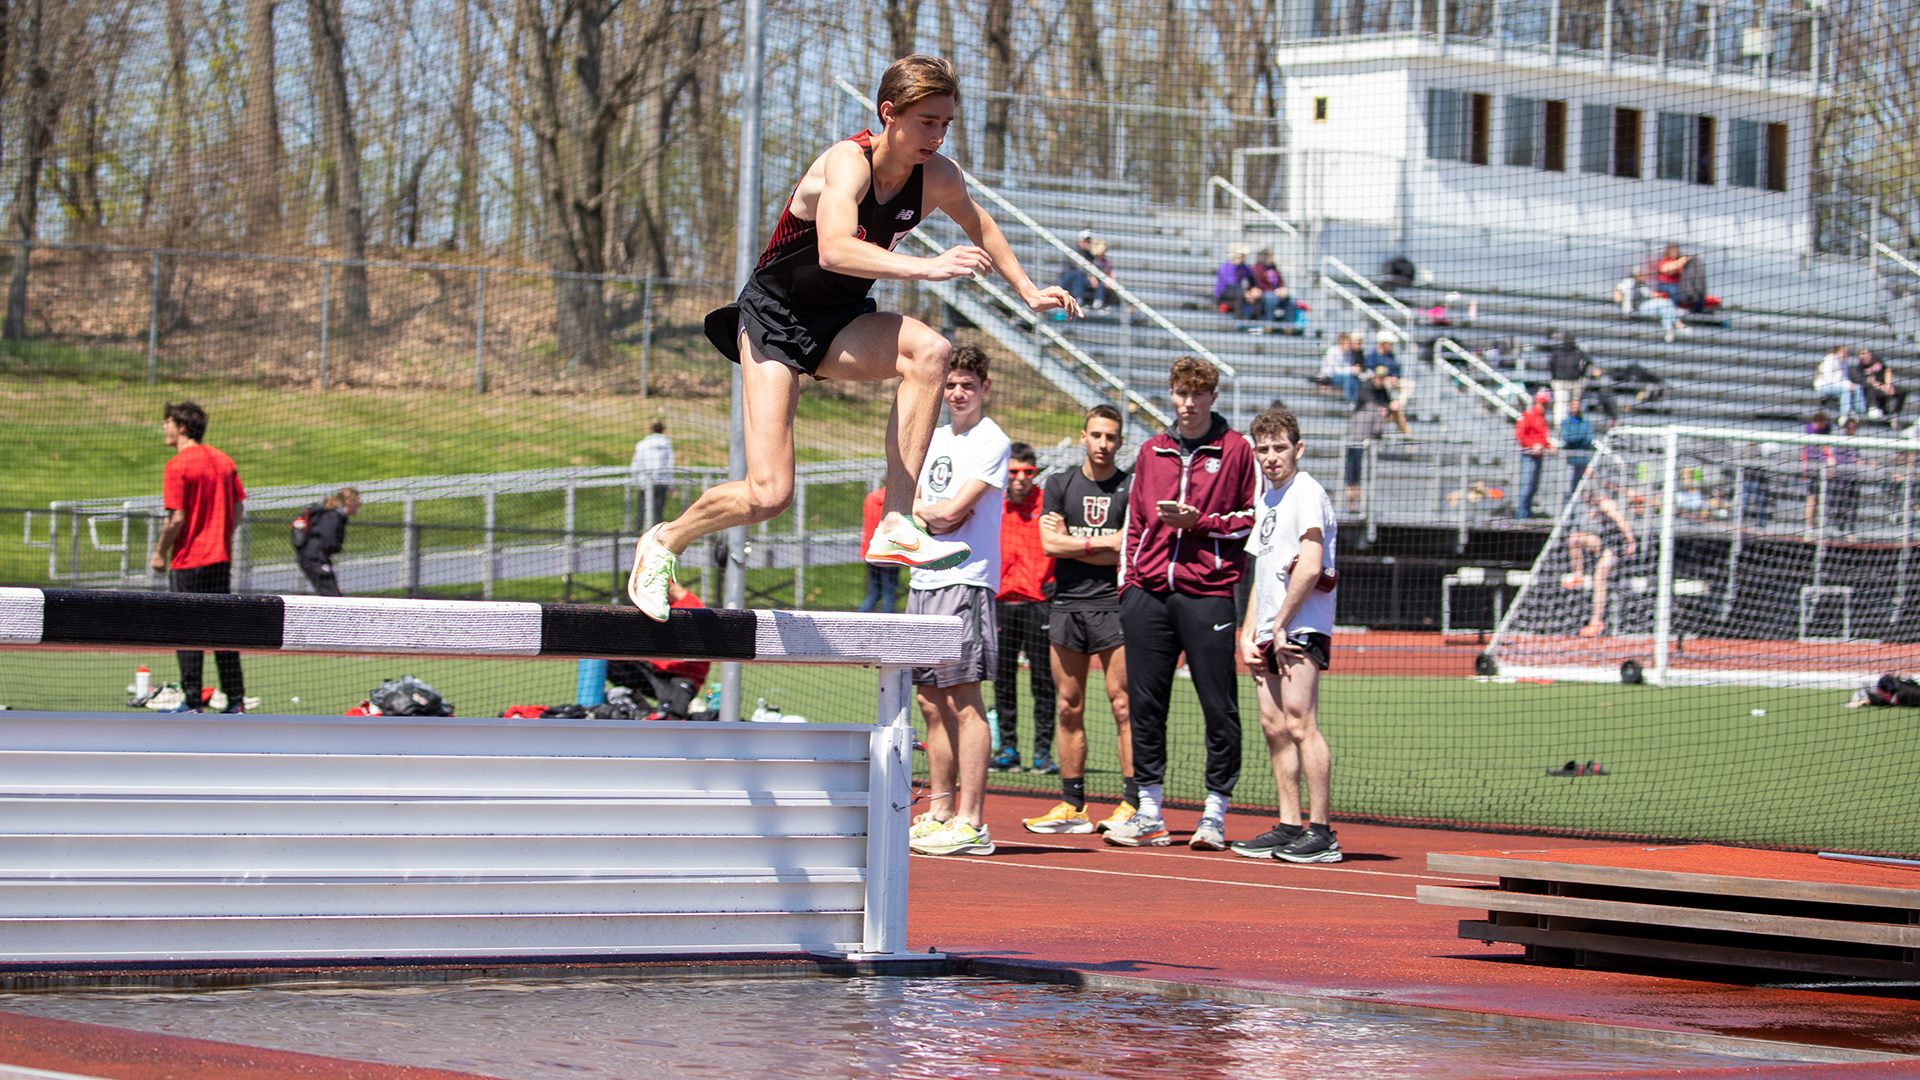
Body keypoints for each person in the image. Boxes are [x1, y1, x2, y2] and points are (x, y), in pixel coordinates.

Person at [627, 55, 1078, 621]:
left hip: (840, 318)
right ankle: (665, 540)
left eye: (946, 124)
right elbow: (834, 248)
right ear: (890, 115)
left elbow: (980, 223)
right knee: (769, 494)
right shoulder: (847, 163)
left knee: (931, 352)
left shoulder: (938, 175)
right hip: (774, 318)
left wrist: (1029, 289)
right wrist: (926, 267)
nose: (937, 137)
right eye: (926, 123)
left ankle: (897, 521)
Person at [1105, 356, 1257, 852]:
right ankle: (1149, 811)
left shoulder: (1236, 450)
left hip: (1208, 592)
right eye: (1181, 393)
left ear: (1213, 397)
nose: (1188, 403)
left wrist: (1203, 523)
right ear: (1171, 394)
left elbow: (1250, 519)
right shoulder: (1152, 450)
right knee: (1146, 704)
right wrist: (1128, 585)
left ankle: (1214, 812)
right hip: (1146, 593)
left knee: (1219, 705)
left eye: (1198, 394)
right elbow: (1134, 526)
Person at [907, 345, 1011, 857]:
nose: (958, 392)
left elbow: (950, 513)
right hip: (922, 578)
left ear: (984, 388)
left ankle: (973, 821)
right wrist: (930, 512)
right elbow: (913, 504)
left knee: (965, 699)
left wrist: (928, 512)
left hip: (966, 580)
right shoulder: (933, 437)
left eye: (967, 383)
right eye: (951, 384)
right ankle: (941, 809)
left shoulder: (993, 441)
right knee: (929, 699)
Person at [1230, 407, 1341, 864]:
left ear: (1298, 448)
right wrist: (1249, 629)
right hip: (1270, 629)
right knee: (1274, 728)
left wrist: (1279, 626)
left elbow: (1311, 565)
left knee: (1301, 724)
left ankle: (1322, 833)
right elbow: (1264, 571)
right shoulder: (1267, 498)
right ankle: (1289, 824)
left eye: (1279, 447)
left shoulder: (1307, 492)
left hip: (1300, 627)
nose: (1271, 456)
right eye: (1263, 449)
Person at [1024, 404, 1134, 836]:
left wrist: (1076, 540)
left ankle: (1131, 803)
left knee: (1123, 706)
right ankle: (1072, 806)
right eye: (1096, 435)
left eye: (1111, 437)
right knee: (1068, 708)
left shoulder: (1130, 487)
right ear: (1083, 437)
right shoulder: (1059, 483)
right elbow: (1050, 545)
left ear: (1120, 442)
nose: (1103, 444)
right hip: (1067, 605)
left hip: (1116, 605)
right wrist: (1102, 543)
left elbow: (1130, 547)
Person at [148, 401, 248, 713]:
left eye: (166, 422)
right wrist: (222, 535)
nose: (163, 427)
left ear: (181, 427)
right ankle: (236, 702)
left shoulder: (177, 466)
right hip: (219, 560)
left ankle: (192, 703)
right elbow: (238, 508)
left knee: (188, 632)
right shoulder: (224, 460)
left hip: (188, 563)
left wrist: (158, 552)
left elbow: (176, 518)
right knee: (225, 632)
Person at [992, 442, 1057, 774]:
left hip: (1038, 606)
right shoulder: (993, 505)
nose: (1020, 478)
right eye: (1014, 471)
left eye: (1027, 472)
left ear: (1035, 473)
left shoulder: (1047, 504)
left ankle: (1042, 752)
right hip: (1001, 604)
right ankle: (1007, 748)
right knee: (1003, 680)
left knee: (1043, 682)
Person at [607, 579, 710, 719]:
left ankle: (672, 712)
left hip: (680, 679)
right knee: (610, 658)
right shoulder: (661, 607)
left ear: (668, 586)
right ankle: (643, 711)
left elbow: (683, 656)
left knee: (673, 719)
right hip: (654, 674)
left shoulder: (692, 607)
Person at [1563, 483, 1636, 638]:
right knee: (1574, 539)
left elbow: (1622, 522)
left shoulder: (1607, 504)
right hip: (1604, 540)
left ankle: (1596, 620)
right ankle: (1578, 575)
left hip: (1617, 545)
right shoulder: (1596, 506)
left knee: (1599, 578)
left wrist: (1631, 542)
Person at [296, 487, 360, 597]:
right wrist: (336, 547)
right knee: (332, 595)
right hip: (314, 559)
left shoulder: (337, 516)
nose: (359, 505)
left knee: (331, 594)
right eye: (358, 502)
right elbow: (328, 542)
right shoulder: (333, 517)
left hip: (317, 558)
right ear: (349, 502)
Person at [1343, 369, 1391, 513]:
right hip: (1362, 445)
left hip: (1351, 441)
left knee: (1352, 476)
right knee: (1361, 476)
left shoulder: (1363, 406)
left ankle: (1351, 506)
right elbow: (1377, 430)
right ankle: (1360, 507)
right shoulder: (1375, 410)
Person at [856, 484, 900, 613]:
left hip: (870, 550)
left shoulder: (871, 497)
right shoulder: (895, 502)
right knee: (889, 593)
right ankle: (888, 627)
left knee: (875, 593)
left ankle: (858, 619)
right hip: (888, 552)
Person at [629, 419, 676, 529]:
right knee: (658, 513)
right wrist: (671, 485)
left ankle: (637, 535)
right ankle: (656, 538)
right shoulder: (667, 444)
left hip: (644, 482)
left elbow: (636, 463)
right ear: (663, 430)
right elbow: (670, 465)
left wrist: (636, 480)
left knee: (642, 510)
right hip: (661, 482)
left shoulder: (643, 444)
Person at [1515, 390, 1553, 520]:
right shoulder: (1528, 415)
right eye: (1542, 403)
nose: (1544, 406)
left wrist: (1549, 446)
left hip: (1538, 457)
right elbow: (1521, 437)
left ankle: (1527, 516)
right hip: (1529, 456)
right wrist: (1533, 445)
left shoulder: (1542, 418)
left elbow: (1543, 439)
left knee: (1533, 489)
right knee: (1526, 488)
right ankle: (1521, 517)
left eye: (1546, 403)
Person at [1547, 332, 1591, 425]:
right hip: (1564, 382)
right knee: (1564, 405)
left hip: (1571, 382)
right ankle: (1561, 427)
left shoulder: (1574, 352)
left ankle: (1571, 426)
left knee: (1570, 405)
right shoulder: (1576, 352)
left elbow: (1551, 366)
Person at [1814, 346, 1864, 420]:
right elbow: (1829, 379)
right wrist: (1847, 385)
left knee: (1858, 388)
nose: (1846, 354)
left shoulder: (1844, 362)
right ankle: (1844, 415)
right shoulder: (1829, 359)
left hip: (1839, 386)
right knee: (1846, 390)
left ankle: (1861, 413)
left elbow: (1845, 378)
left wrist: (1850, 384)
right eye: (1844, 352)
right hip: (1824, 386)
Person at [1560, 401, 1595, 503]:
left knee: (1581, 491)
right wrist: (1581, 436)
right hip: (1571, 461)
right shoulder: (1566, 422)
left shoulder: (1585, 423)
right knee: (1568, 489)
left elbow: (1590, 438)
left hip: (1583, 461)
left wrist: (1577, 437)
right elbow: (1567, 437)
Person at [1319, 332, 1363, 403]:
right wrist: (1351, 370)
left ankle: (1357, 400)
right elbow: (1335, 370)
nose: (1349, 345)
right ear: (1341, 342)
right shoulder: (1332, 351)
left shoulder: (1349, 353)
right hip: (1330, 377)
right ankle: (1351, 401)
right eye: (1347, 343)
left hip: (1344, 376)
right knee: (1349, 377)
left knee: (1356, 378)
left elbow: (1348, 366)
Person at [1213, 247, 1253, 313]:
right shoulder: (1226, 266)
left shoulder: (1242, 266)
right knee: (1239, 294)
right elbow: (1232, 284)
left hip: (1236, 290)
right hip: (1223, 292)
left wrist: (1253, 290)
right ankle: (1238, 317)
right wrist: (1244, 293)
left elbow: (1251, 277)